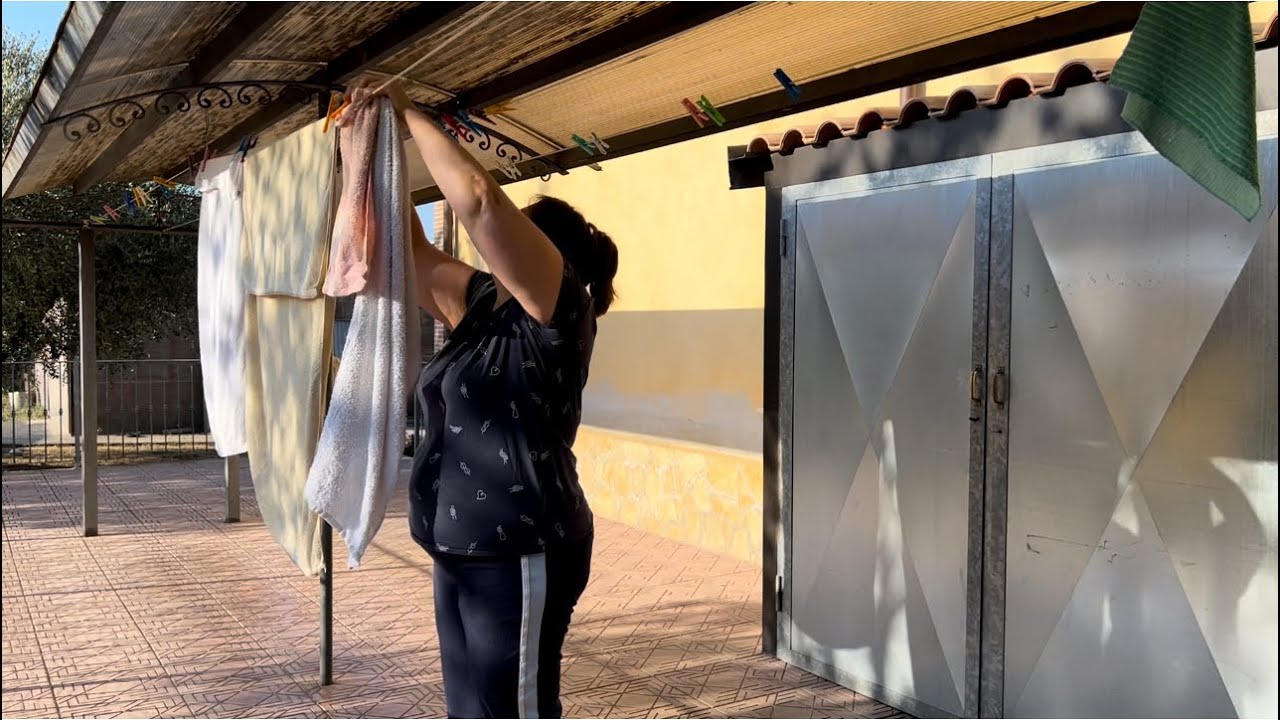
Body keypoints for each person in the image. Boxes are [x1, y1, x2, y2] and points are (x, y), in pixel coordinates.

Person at [342, 78, 618, 719]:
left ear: (553, 258)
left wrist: (408, 110)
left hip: (519, 547)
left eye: (521, 240)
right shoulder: (488, 306)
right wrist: (362, 149)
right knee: (471, 711)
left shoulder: (559, 309)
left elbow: (480, 202)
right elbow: (405, 251)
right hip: (462, 549)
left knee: (510, 713)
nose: (500, 249)